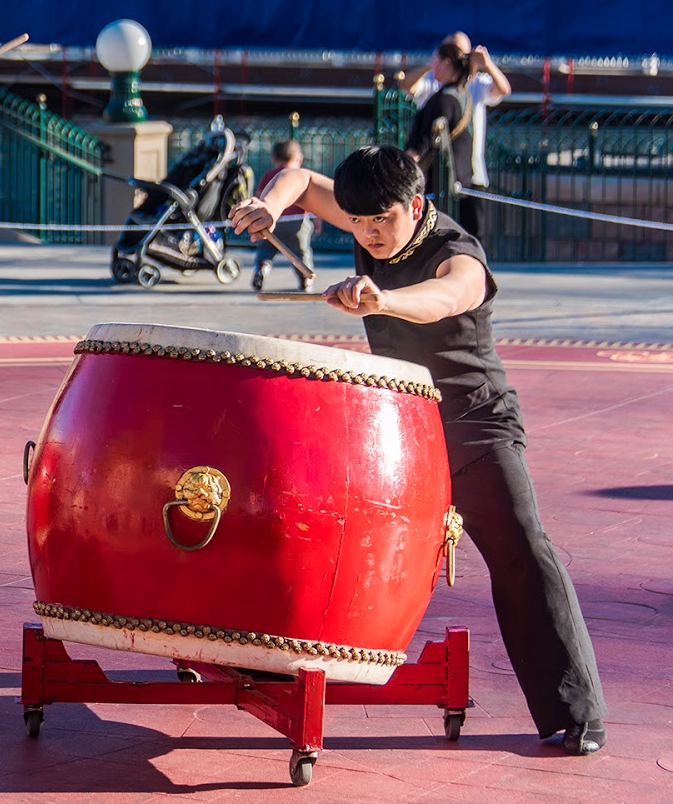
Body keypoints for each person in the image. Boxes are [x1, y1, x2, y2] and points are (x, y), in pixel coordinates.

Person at [228, 145, 608, 756]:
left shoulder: (458, 253)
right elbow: (297, 179)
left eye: (383, 221)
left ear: (416, 203)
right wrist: (267, 205)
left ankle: (575, 712)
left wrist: (382, 299)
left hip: (476, 422)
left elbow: (446, 297)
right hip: (400, 421)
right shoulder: (362, 215)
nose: (370, 234)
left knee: (520, 550)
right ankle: (276, 664)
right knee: (328, 532)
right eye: (359, 223)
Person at [399, 32, 512, 241]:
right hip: (443, 179)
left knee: (469, 236)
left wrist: (487, 64)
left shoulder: (472, 87)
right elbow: (406, 85)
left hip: (469, 175)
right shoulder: (437, 88)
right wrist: (431, 65)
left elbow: (504, 89)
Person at [249, 138, 316, 293]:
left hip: (273, 222)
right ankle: (305, 279)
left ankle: (262, 269)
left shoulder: (269, 176)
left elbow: (260, 197)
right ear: (299, 158)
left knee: (266, 249)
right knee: (300, 252)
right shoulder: (301, 176)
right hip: (297, 223)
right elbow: (312, 201)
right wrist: (316, 220)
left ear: (273, 159)